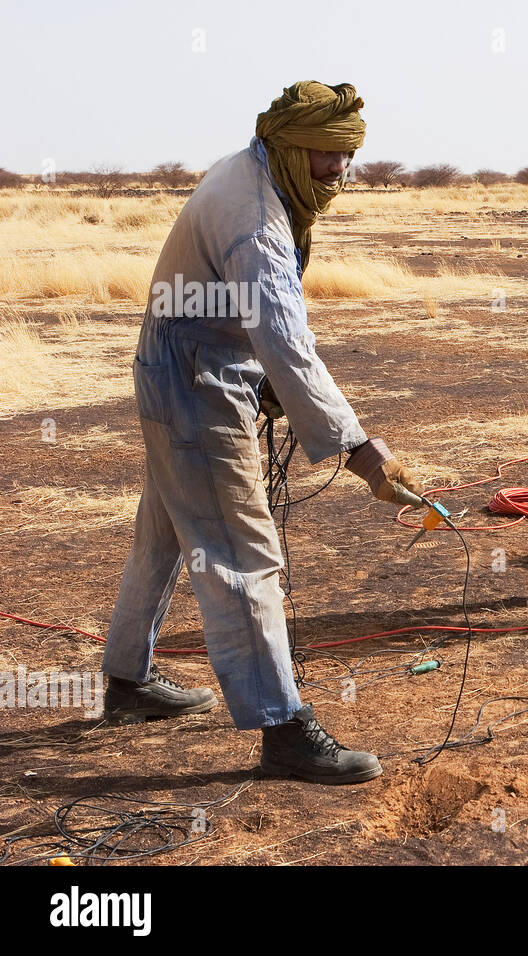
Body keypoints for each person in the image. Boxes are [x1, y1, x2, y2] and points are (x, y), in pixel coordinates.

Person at [102, 82, 421, 785]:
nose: (340, 171)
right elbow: (284, 338)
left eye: (349, 157)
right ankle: (282, 727)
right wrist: (362, 450)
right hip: (195, 383)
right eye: (328, 156)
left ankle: (127, 680)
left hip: (181, 366)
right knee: (241, 551)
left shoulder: (251, 174)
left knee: (165, 534)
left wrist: (267, 382)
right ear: (288, 145)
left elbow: (263, 333)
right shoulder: (254, 220)